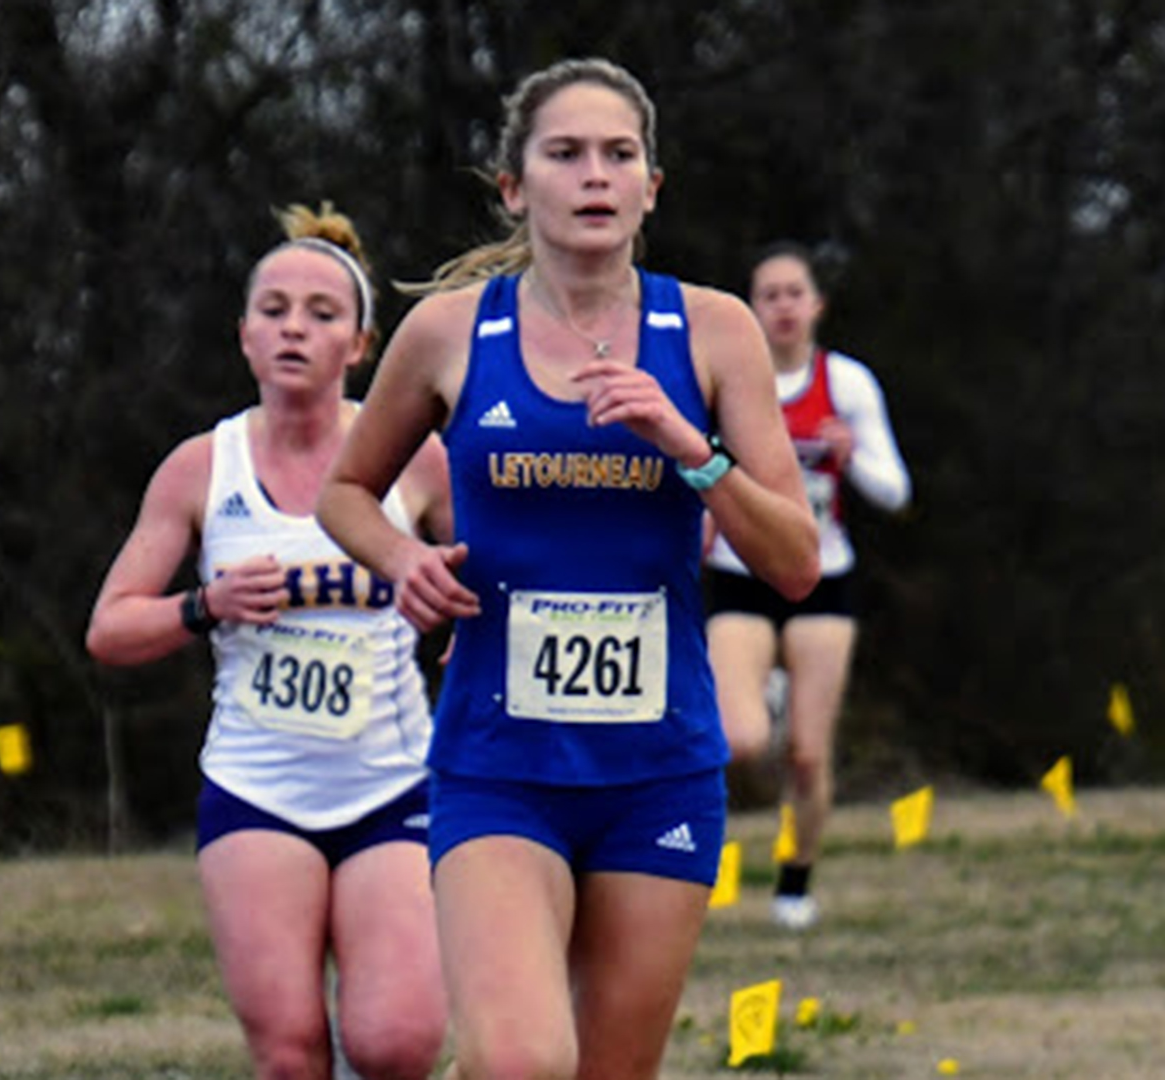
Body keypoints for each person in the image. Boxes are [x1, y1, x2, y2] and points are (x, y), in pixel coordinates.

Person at [315, 58, 820, 1080]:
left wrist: (691, 445)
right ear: (515, 186)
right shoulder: (452, 332)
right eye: (565, 154)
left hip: (659, 773)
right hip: (501, 767)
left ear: (650, 187)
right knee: (518, 1061)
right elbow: (344, 495)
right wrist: (403, 559)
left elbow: (795, 562)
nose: (595, 175)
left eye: (619, 155)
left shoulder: (715, 330)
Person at [85, 203, 452, 1080]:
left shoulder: (418, 459)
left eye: (322, 315)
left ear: (361, 346)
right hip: (258, 790)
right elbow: (110, 627)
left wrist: (443, 600)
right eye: (275, 310)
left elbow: (489, 585)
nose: (295, 329)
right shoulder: (202, 468)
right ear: (245, 337)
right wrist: (201, 606)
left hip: (392, 785)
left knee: (396, 1042)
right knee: (290, 1054)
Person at [704, 243, 913, 932]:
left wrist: (849, 457)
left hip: (824, 579)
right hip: (741, 575)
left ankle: (794, 883)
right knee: (739, 740)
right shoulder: (732, 380)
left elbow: (895, 491)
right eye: (770, 294)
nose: (785, 306)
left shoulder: (846, 383)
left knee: (808, 754)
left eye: (796, 293)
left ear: (817, 305)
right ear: (753, 308)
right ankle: (765, 689)